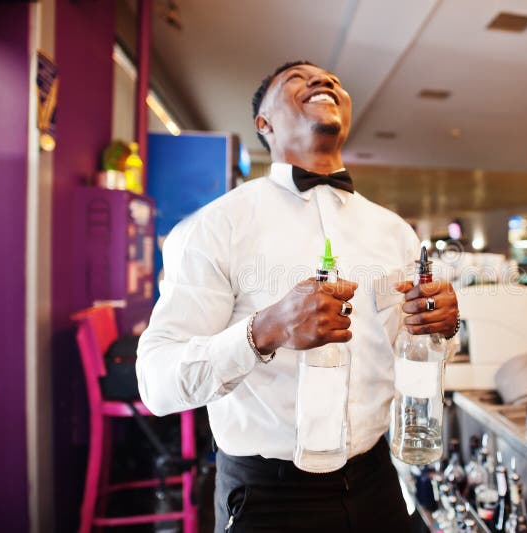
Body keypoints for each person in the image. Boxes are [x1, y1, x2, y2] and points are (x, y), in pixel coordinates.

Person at [135, 60, 460, 532]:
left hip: (378, 486)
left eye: (333, 80)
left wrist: (443, 327)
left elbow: (417, 351)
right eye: (296, 80)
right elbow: (156, 382)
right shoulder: (216, 227)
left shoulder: (395, 233)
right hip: (268, 498)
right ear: (262, 123)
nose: (323, 82)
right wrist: (264, 330)